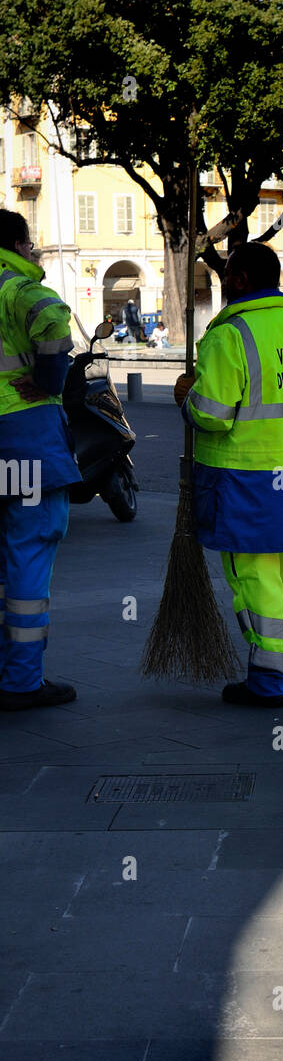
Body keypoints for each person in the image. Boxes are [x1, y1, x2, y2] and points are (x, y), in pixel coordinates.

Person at [180, 242, 283, 707]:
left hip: (242, 478)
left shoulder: (229, 336)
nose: (223, 278)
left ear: (242, 280)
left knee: (254, 575)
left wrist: (187, 399)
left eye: (227, 272)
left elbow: (212, 414)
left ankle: (269, 680)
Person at [0, 209, 79, 711]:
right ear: (19, 244)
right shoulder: (19, 289)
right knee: (28, 548)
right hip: (22, 440)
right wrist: (50, 381)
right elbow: (53, 320)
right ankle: (22, 681)